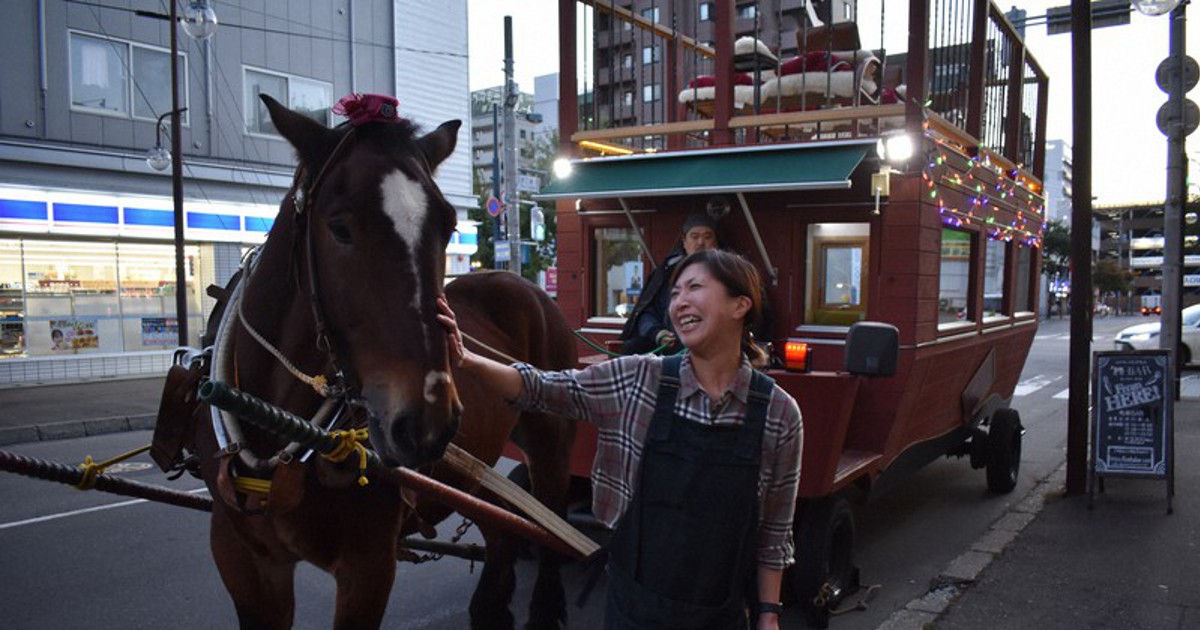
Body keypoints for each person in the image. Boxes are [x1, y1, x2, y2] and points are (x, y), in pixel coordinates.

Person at [437, 249, 803, 629]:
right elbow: (542, 388)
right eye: (674, 293)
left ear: (740, 304)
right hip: (634, 608)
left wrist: (769, 615)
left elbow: (775, 531)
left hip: (722, 613)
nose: (679, 302)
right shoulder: (638, 379)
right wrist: (466, 360)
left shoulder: (778, 413)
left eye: (694, 287)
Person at [619, 214, 720, 354]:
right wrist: (657, 333)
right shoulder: (666, 272)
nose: (701, 242)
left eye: (707, 237)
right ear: (684, 241)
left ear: (715, 241)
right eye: (694, 236)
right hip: (669, 347)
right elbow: (645, 313)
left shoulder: (725, 273)